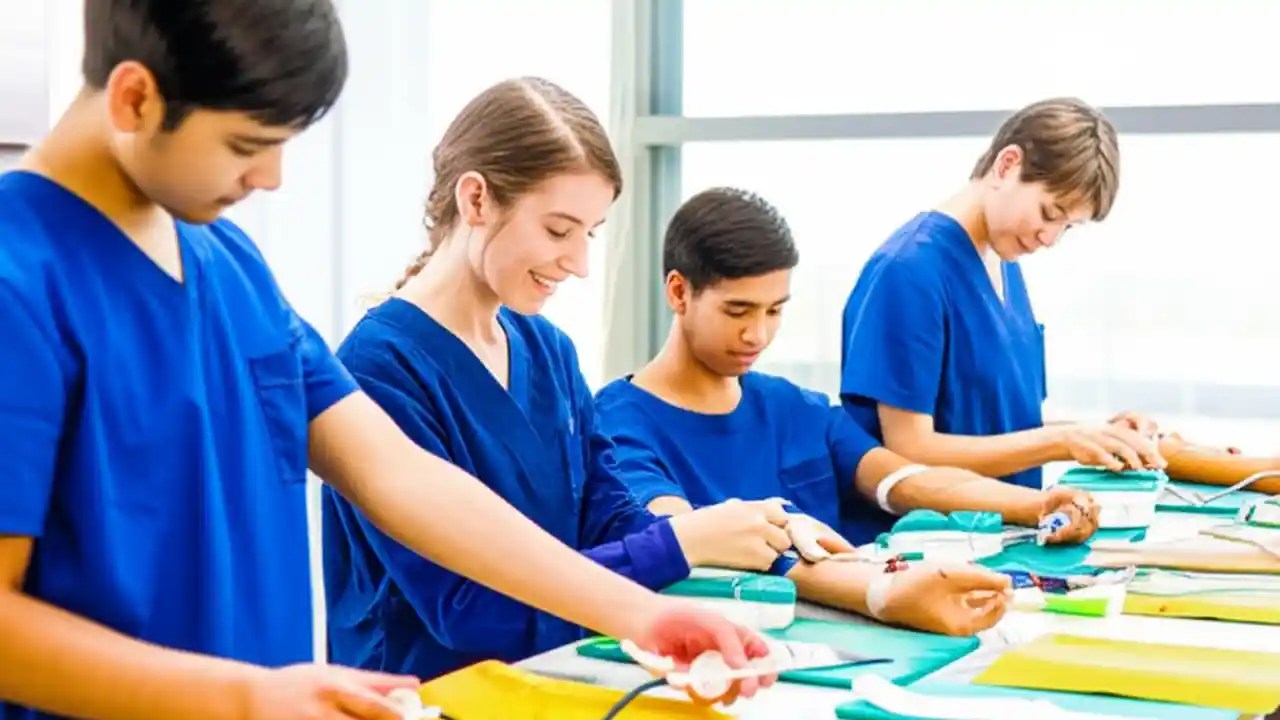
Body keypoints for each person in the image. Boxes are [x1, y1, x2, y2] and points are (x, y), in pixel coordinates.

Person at [0, 5, 770, 720]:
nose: (271, 179)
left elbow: (396, 474)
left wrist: (639, 609)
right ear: (135, 99)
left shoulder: (229, 265)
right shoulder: (20, 282)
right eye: (247, 145)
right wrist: (244, 698)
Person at [323, 77, 829, 683]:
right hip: (437, 695)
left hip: (560, 676)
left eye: (590, 235)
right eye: (559, 231)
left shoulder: (547, 349)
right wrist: (681, 543)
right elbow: (470, 612)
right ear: (477, 200)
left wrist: (739, 531)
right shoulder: (379, 370)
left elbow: (609, 515)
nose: (580, 264)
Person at [591, 187, 1090, 633]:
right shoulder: (618, 425)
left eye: (775, 310)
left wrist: (1036, 506)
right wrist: (878, 593)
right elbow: (688, 537)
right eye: (737, 311)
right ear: (679, 292)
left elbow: (906, 481)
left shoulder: (791, 406)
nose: (757, 335)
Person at [839, 97, 1162, 536]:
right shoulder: (909, 271)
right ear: (1007, 165)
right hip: (926, 548)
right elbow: (910, 447)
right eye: (1050, 213)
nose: (1050, 238)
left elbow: (999, 425)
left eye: (1068, 227)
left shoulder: (1003, 261)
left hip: (1005, 534)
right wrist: (1060, 442)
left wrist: (1097, 438)